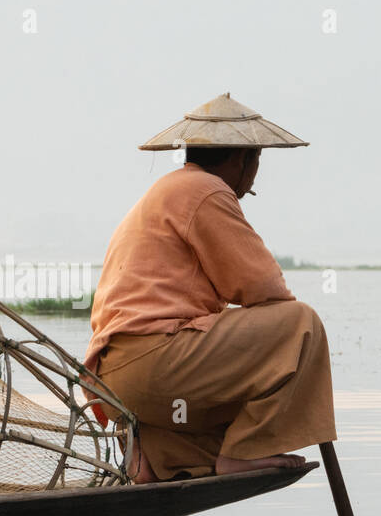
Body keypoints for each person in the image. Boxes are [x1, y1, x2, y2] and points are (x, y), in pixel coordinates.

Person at [82, 93, 336, 483]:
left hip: (115, 380)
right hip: (154, 363)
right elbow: (263, 287)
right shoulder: (206, 191)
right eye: (256, 161)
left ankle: (153, 452)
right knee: (300, 325)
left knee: (229, 382)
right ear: (242, 160)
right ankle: (242, 453)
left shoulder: (170, 189)